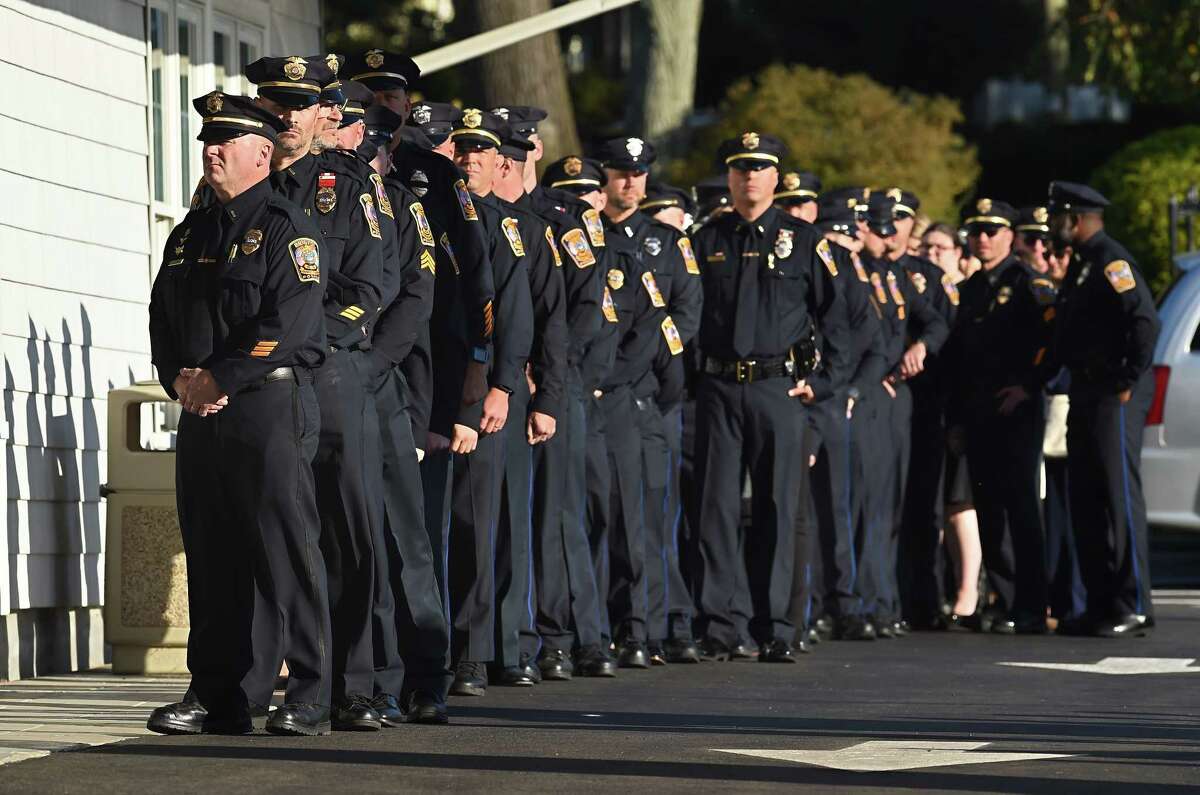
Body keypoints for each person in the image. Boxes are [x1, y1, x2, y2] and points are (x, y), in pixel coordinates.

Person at [147, 93, 331, 736]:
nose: (212, 150)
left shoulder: (288, 227)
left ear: (262, 153)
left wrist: (220, 375)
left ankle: (308, 692)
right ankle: (217, 691)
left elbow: (290, 323)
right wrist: (180, 377)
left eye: (227, 141)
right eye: (207, 141)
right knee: (212, 551)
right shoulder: (189, 234)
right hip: (201, 410)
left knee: (284, 551)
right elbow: (164, 317)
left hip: (266, 406)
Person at [690, 132, 849, 663]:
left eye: (759, 168)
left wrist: (821, 383)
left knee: (778, 508)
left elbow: (841, 323)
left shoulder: (805, 241)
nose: (749, 177)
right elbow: (687, 317)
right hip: (717, 387)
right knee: (715, 507)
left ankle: (776, 624)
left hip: (777, 387)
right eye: (740, 168)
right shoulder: (706, 238)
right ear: (730, 178)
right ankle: (718, 623)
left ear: (776, 178)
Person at [596, 136, 703, 666]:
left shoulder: (666, 242)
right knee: (611, 515)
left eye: (638, 175)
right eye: (621, 173)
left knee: (652, 517)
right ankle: (622, 625)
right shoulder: (586, 235)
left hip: (647, 391)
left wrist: (641, 364)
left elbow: (682, 316)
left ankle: (656, 624)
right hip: (597, 386)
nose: (630, 183)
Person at [446, 108, 535, 696]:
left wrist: (503, 386)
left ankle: (473, 652)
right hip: (431, 388)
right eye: (462, 152)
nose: (469, 161)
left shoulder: (504, 226)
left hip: (482, 391)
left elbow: (516, 313)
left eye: (481, 154)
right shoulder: (431, 216)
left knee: (476, 524)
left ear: (500, 164)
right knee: (431, 526)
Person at [1047, 181, 1160, 637]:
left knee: (1118, 499)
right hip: (1087, 391)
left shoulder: (1111, 261)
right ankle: (1100, 604)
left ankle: (1132, 603)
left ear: (1075, 219)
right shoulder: (1082, 265)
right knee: (1087, 498)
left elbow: (1144, 322)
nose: (1053, 226)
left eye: (1057, 217)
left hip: (1113, 393)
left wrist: (1128, 379)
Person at [944, 198, 1055, 634]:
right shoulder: (972, 289)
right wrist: (955, 419)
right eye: (976, 232)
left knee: (1022, 508)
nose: (983, 239)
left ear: (1011, 235)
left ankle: (1030, 605)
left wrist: (1029, 385)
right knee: (988, 508)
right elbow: (959, 360)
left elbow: (1052, 341)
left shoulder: (1029, 283)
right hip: (978, 412)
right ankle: (1003, 600)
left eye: (992, 231)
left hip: (1017, 410)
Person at [920, 223, 982, 626]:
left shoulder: (966, 293)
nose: (931, 254)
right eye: (926, 246)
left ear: (958, 253)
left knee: (961, 505)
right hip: (932, 405)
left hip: (962, 406)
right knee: (941, 505)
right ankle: (945, 587)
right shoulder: (925, 290)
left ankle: (968, 590)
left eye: (940, 247)